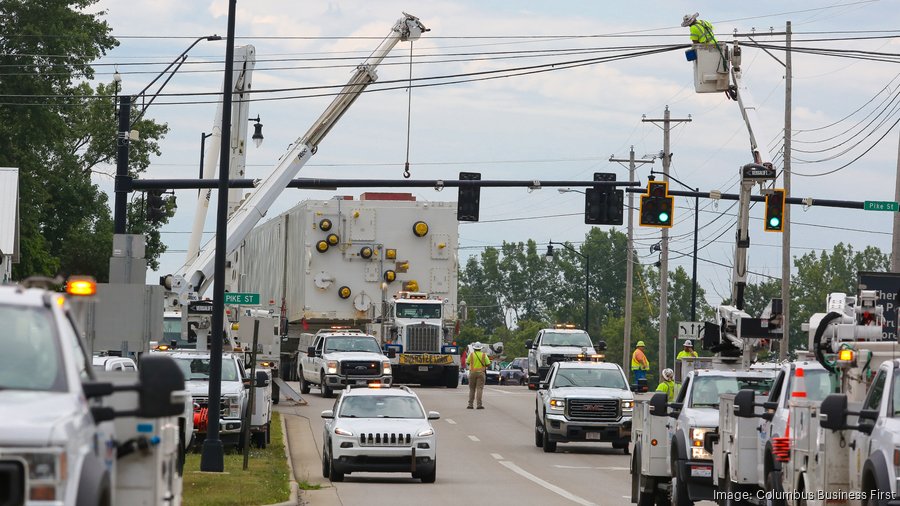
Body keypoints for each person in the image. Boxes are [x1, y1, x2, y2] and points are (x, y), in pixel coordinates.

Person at [466, 342, 491, 409]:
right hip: (481, 373)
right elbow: (488, 364)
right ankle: (479, 405)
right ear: (480, 348)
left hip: (472, 372)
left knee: (472, 389)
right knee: (479, 389)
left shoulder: (471, 355)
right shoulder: (483, 355)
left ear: (474, 348)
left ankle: (470, 405)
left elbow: (467, 362)